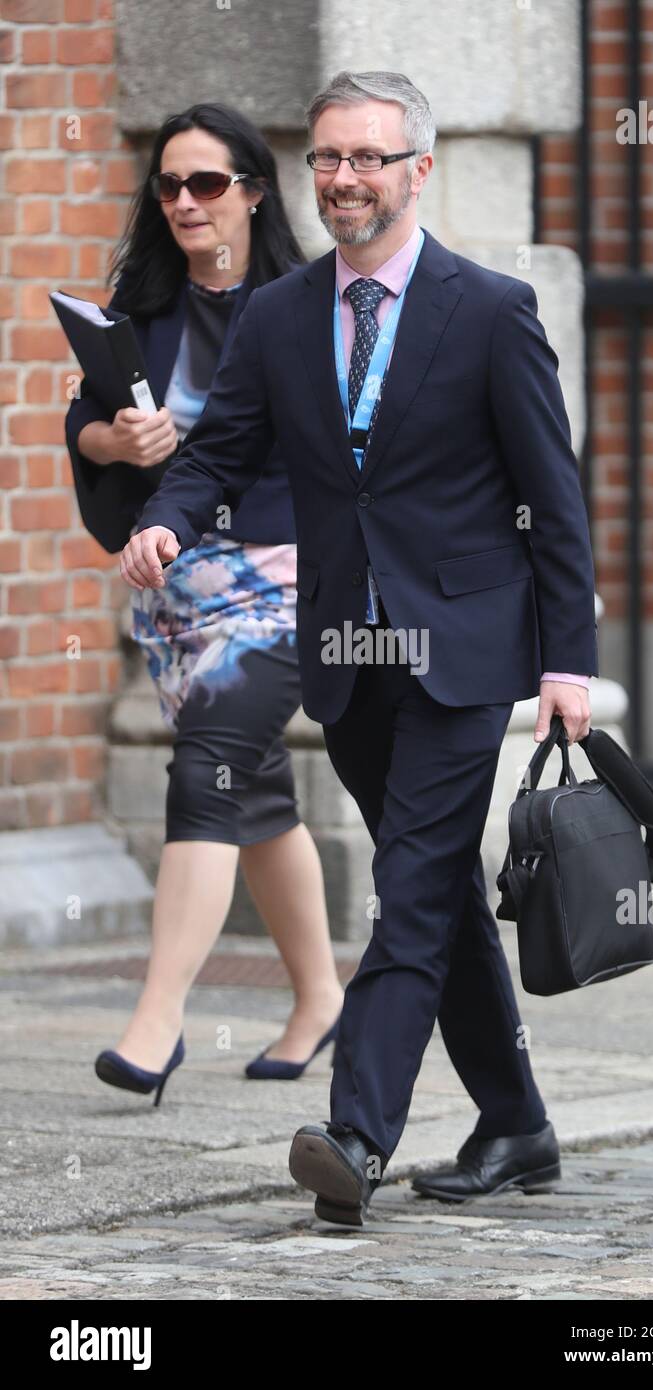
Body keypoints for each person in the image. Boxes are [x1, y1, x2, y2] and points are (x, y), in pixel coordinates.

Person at [120, 70, 598, 1219]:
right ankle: (518, 1124)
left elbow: (554, 494)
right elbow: (220, 450)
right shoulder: (282, 315)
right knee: (431, 885)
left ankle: (354, 1133)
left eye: (367, 158)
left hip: (466, 646)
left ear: (415, 171)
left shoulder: (487, 309)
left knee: (405, 886)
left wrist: (566, 660)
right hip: (345, 647)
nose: (342, 178)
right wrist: (165, 520)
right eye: (327, 158)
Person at [64, 103, 344, 1103]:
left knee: (213, 758)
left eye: (207, 183)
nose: (184, 201)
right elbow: (86, 422)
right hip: (176, 584)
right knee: (255, 790)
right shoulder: (141, 306)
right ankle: (319, 997)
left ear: (254, 191)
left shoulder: (311, 304)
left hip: (287, 579)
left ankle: (157, 1021)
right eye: (170, 184)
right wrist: (116, 446)